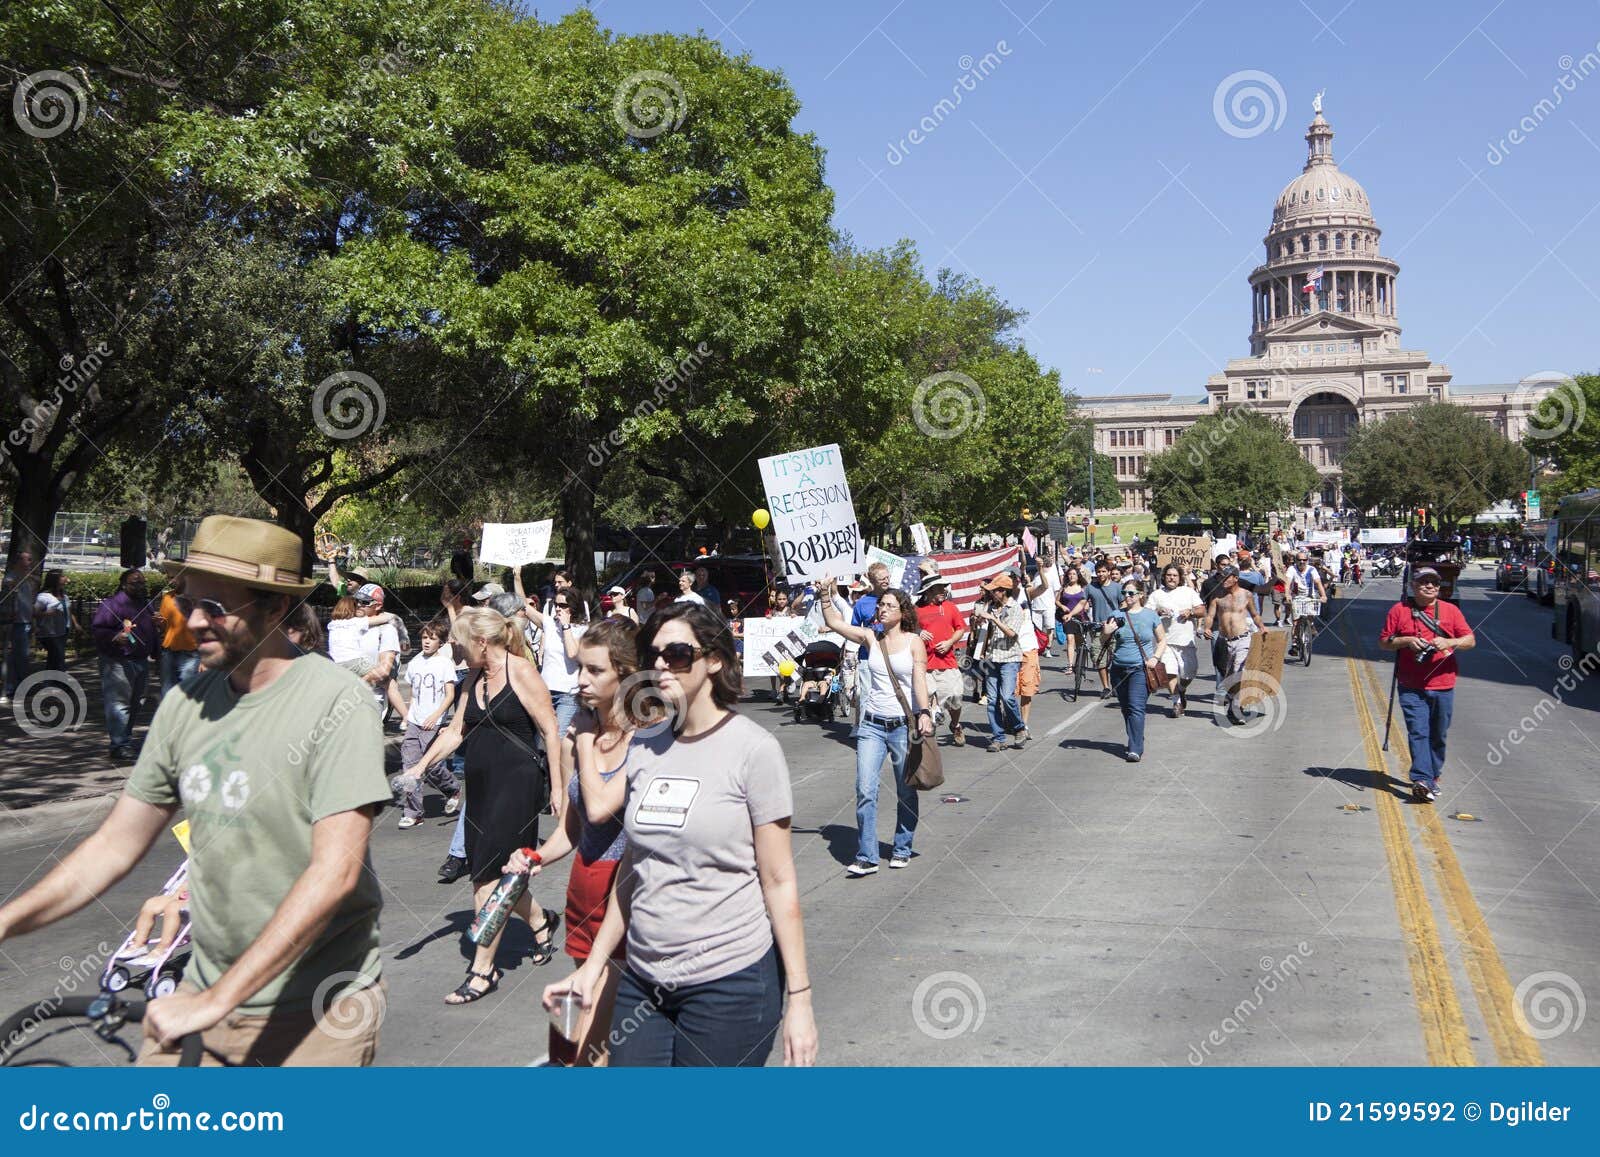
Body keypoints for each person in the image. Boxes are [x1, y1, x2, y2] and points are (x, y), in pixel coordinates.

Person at [0, 515, 390, 1065]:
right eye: (188, 603)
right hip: (201, 996)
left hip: (317, 1011)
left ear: (276, 608)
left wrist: (216, 1000)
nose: (193, 622)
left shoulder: (337, 703)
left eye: (216, 607)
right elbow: (113, 848)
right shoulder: (185, 703)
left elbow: (335, 873)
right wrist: (6, 922)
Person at [541, 603, 818, 1066]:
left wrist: (801, 999)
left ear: (714, 660)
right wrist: (592, 969)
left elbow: (778, 880)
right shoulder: (647, 746)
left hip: (728, 982)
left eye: (678, 653)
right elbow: (634, 867)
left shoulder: (754, 750)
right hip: (643, 979)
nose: (663, 664)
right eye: (656, 655)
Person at [505, 618, 641, 1065]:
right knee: (563, 1035)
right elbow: (575, 827)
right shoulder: (576, 741)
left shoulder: (646, 740)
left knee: (591, 1045)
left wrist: (583, 737)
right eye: (580, 668)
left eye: (595, 671)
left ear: (625, 673)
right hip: (583, 885)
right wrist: (535, 856)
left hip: (624, 894)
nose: (580, 680)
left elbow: (603, 808)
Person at [410, 607, 563, 1003]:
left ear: (480, 641)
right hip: (480, 786)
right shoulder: (473, 677)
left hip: (517, 784)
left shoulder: (521, 672)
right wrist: (420, 766)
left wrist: (559, 790)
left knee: (485, 880)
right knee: (498, 872)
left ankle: (483, 971)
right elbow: (456, 731)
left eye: (459, 641)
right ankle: (541, 922)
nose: (454, 648)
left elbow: (550, 730)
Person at [821, 584, 933, 876]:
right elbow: (835, 622)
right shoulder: (871, 637)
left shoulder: (913, 642)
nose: (881, 609)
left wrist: (924, 712)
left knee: (905, 790)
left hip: (902, 727)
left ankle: (901, 848)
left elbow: (919, 680)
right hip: (871, 725)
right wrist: (824, 594)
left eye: (889, 605)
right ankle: (867, 856)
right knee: (865, 789)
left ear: (903, 612)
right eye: (880, 605)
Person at [1380, 567, 1475, 803]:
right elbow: (1384, 641)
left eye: (1434, 582)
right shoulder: (1399, 610)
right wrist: (1407, 641)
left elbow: (1470, 640)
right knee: (1418, 731)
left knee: (1438, 735)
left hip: (1444, 683)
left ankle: (1433, 776)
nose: (1430, 586)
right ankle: (1421, 779)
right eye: (1424, 582)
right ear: (1413, 586)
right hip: (1411, 685)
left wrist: (1448, 641)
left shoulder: (1451, 611)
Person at [396, 618, 462, 829]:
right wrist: (408, 715)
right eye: (424, 637)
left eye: (432, 639)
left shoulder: (444, 663)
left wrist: (437, 716)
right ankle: (413, 813)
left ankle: (452, 788)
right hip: (416, 721)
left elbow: (450, 694)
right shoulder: (415, 663)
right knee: (410, 765)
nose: (426, 642)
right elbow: (414, 693)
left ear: (440, 643)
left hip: (432, 722)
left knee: (432, 766)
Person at [91, 568, 161, 761]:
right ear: (124, 585)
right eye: (135, 583)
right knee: (119, 703)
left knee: (137, 702)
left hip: (141, 660)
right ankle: (119, 744)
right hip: (118, 661)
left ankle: (124, 738)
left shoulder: (145, 604)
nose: (140, 586)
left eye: (142, 583)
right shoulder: (112, 604)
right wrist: (115, 637)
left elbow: (152, 630)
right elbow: (98, 629)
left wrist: (156, 652)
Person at [1102, 579, 1166, 762]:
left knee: (1136, 707)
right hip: (1118, 668)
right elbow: (1103, 641)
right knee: (1125, 708)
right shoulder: (1116, 614)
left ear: (1140, 595)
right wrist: (1106, 631)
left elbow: (1162, 640)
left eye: (1130, 593)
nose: (1127, 596)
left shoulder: (1150, 615)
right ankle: (1136, 737)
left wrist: (1155, 658)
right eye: (1124, 593)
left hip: (1140, 669)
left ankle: (1135, 748)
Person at [972, 573, 1029, 752]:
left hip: (1009, 658)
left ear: (1003, 592)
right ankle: (998, 738)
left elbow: (1012, 634)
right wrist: (977, 621)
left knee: (1007, 696)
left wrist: (994, 619)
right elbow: (983, 631)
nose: (991, 594)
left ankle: (1019, 728)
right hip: (991, 658)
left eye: (994, 591)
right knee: (992, 700)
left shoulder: (1015, 608)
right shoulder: (990, 607)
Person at [1201, 567, 1265, 725]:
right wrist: (1207, 628)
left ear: (1235, 578)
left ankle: (1235, 708)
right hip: (1224, 640)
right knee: (1227, 676)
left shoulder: (1246, 595)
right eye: (1221, 577)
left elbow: (1255, 614)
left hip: (1242, 639)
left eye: (1226, 577)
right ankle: (1234, 706)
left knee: (1238, 671)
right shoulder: (1217, 597)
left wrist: (1262, 626)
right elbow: (1210, 615)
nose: (1223, 580)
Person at [915, 567, 969, 746]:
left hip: (948, 662)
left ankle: (955, 724)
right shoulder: (917, 609)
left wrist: (949, 642)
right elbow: (905, 629)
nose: (944, 591)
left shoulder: (950, 607)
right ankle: (930, 729)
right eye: (940, 588)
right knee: (928, 698)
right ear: (930, 590)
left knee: (955, 698)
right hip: (924, 665)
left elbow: (961, 628)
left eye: (944, 587)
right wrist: (919, 631)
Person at [1147, 564, 1203, 716]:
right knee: (1169, 672)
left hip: (1185, 641)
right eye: (1169, 575)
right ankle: (1176, 702)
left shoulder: (1188, 592)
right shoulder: (1156, 594)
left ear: (1180, 578)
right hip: (1165, 641)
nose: (1171, 578)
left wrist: (1190, 612)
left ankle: (1182, 689)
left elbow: (1201, 610)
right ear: (1164, 577)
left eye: (1175, 575)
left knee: (1188, 674)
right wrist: (1158, 611)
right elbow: (1147, 612)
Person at [1082, 559, 1124, 699]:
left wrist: (1119, 617)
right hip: (1098, 628)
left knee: (1116, 658)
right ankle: (1106, 687)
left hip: (1114, 627)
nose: (1100, 574)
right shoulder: (1090, 587)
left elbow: (1123, 604)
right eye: (1098, 571)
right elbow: (1083, 602)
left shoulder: (1117, 587)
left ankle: (1116, 685)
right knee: (1099, 657)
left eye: (1103, 571)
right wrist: (1071, 613)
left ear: (1109, 572)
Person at [2, 547, 38, 702]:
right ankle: (12, 686)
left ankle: (17, 685)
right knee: (17, 656)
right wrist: (25, 576)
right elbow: (9, 589)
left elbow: (30, 600)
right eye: (28, 559)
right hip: (15, 623)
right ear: (19, 561)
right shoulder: (11, 577)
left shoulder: (28, 579)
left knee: (20, 656)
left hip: (26, 621)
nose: (30, 562)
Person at [156, 573, 200, 696]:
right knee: (167, 692)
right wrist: (158, 622)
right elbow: (164, 625)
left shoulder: (197, 597)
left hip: (192, 652)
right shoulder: (166, 598)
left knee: (187, 694)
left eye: (173, 576)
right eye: (168, 576)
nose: (170, 579)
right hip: (168, 651)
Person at [33, 569, 73, 672]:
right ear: (55, 580)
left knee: (54, 659)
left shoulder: (64, 596)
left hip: (62, 631)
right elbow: (34, 613)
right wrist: (48, 614)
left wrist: (75, 625)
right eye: (62, 576)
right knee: (58, 658)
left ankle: (51, 681)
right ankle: (60, 681)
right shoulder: (44, 597)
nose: (65, 578)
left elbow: (68, 612)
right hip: (49, 633)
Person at [1056, 563, 1090, 678]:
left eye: (1074, 574)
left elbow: (1087, 600)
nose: (1071, 576)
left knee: (1080, 641)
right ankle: (1070, 665)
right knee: (1070, 639)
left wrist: (1087, 605)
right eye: (1069, 574)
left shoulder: (1083, 588)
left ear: (1078, 575)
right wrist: (1062, 606)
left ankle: (1080, 664)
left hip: (1081, 616)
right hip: (1067, 616)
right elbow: (1056, 601)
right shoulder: (1064, 588)